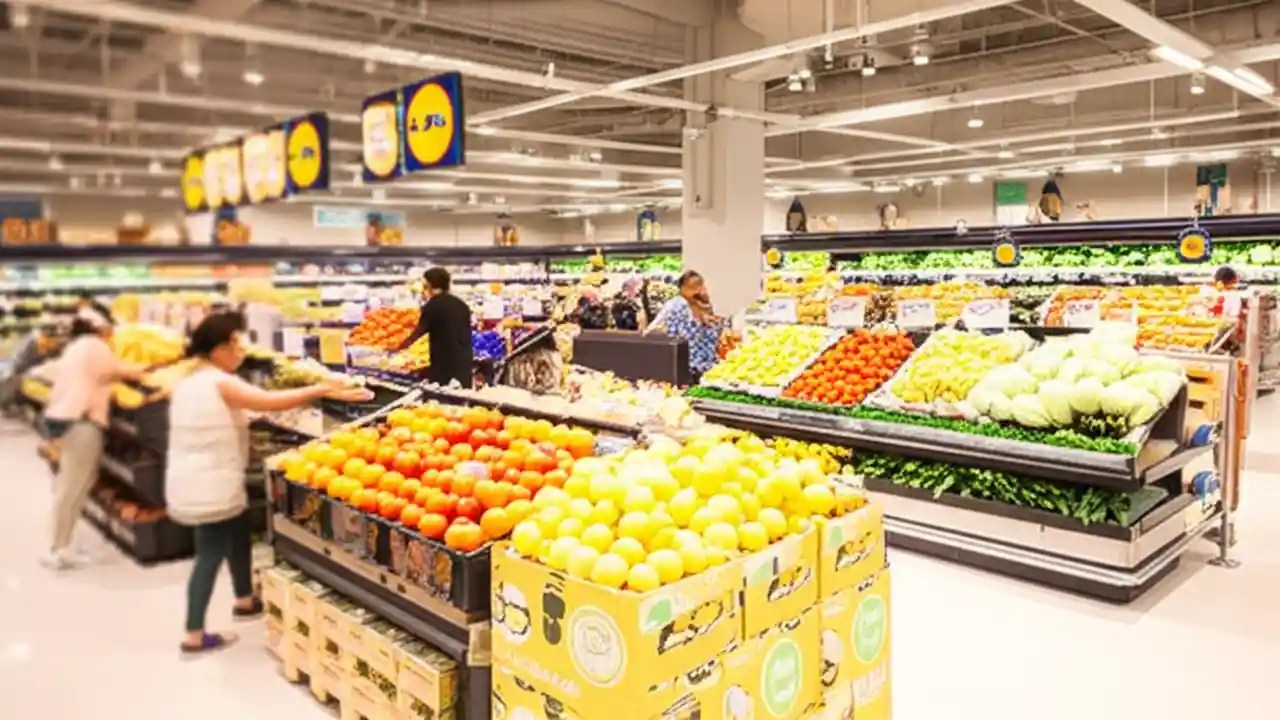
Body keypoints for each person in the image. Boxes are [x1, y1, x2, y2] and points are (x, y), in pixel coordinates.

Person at [166, 312, 369, 654]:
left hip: (197, 477)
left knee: (238, 530)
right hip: (210, 483)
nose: (241, 352)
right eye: (236, 344)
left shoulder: (189, 381)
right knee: (210, 551)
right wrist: (322, 388)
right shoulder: (220, 382)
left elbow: (224, 415)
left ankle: (245, 598)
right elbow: (269, 401)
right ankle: (194, 632)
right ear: (218, 349)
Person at [41, 307, 143, 570]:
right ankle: (59, 549)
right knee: (73, 486)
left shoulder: (77, 347)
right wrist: (147, 370)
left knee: (69, 484)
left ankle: (62, 545)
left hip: (66, 419)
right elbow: (119, 371)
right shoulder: (94, 346)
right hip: (82, 421)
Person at [401, 267, 474, 388]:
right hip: (464, 364)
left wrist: (400, 347)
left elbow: (419, 332)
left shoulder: (432, 306)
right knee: (461, 400)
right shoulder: (462, 305)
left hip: (443, 366)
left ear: (428, 285)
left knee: (442, 402)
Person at [650, 270, 726, 384]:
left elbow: (713, 336)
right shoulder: (676, 306)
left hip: (706, 370)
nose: (699, 289)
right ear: (682, 288)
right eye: (693, 286)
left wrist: (711, 321)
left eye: (700, 285)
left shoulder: (701, 305)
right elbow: (677, 337)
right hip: (687, 369)